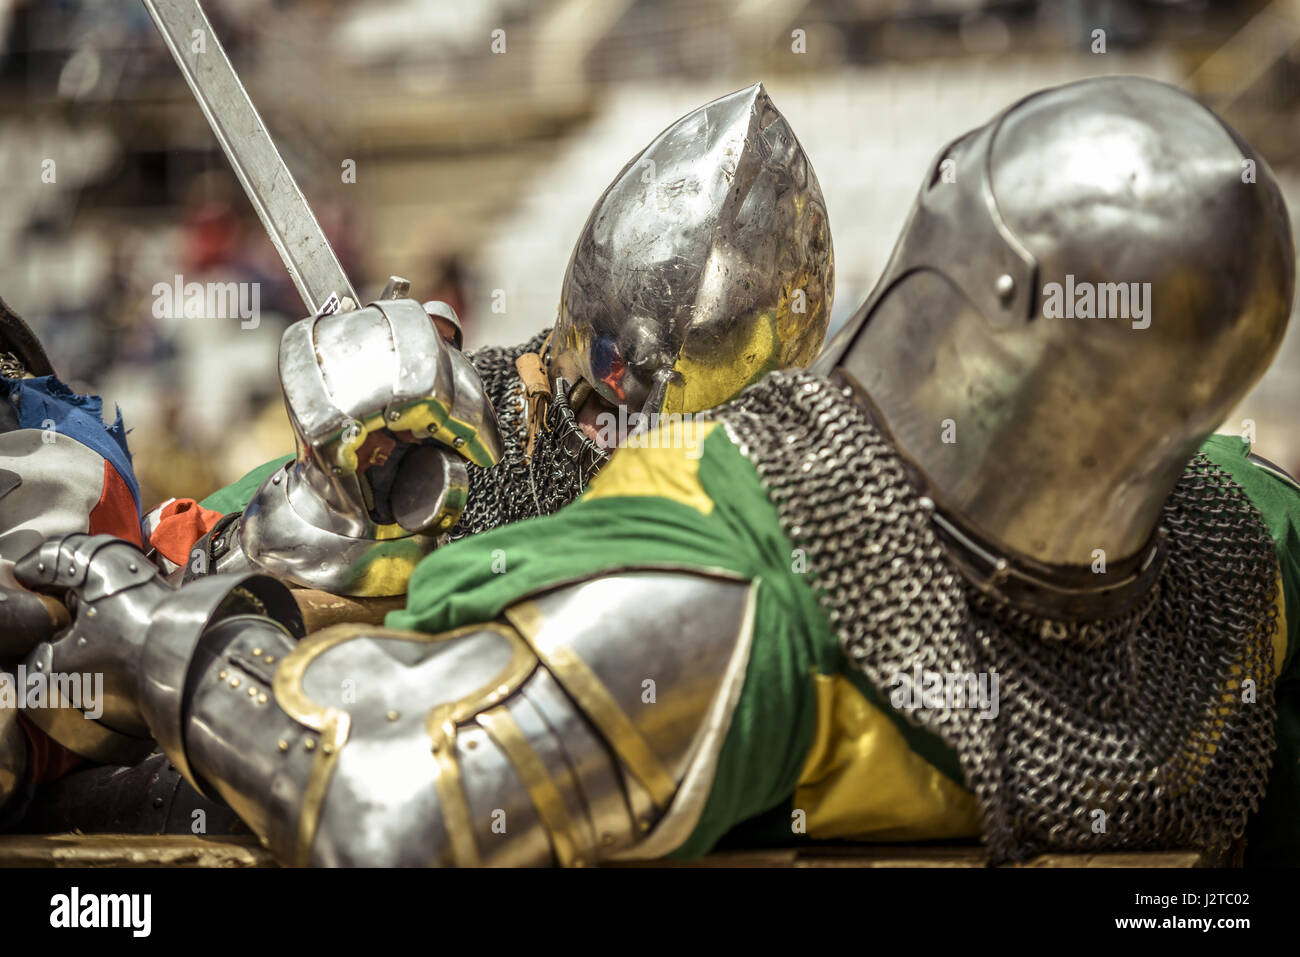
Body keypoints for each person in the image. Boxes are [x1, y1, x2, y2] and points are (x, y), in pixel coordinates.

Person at [11, 76, 1298, 868]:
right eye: (590, 404)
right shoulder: (1253, 535)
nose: (615, 432)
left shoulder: (740, 578)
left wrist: (150, 624)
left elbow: (394, 797)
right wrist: (308, 523)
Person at [158, 83, 834, 598]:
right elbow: (173, 556)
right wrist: (324, 513)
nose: (620, 441)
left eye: (653, 436)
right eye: (610, 415)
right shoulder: (452, 424)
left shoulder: (773, 538)